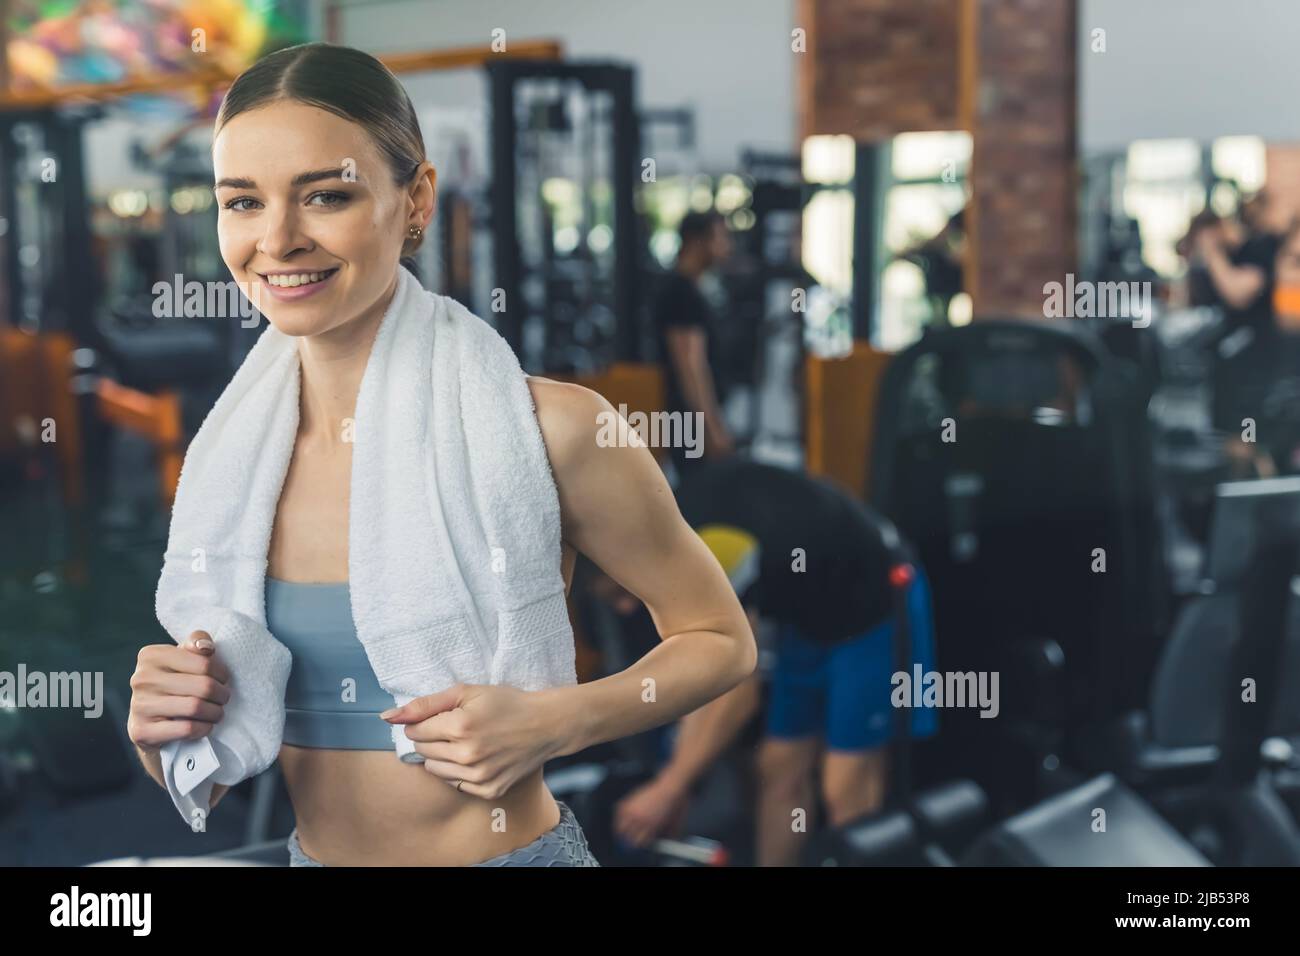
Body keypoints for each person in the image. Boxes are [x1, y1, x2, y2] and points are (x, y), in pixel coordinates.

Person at [125, 42, 756, 867]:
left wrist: (557, 719)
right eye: (242, 202)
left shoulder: (553, 428)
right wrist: (162, 724)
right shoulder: (233, 464)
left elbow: (721, 638)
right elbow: (207, 752)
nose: (277, 239)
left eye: (326, 195)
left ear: (415, 198)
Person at [585, 457, 939, 866]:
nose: (628, 607)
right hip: (805, 620)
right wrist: (677, 775)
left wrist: (670, 787)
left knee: (845, 785)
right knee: (779, 770)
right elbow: (707, 681)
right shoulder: (668, 529)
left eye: (621, 592)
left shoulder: (710, 547)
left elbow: (736, 691)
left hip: (874, 601)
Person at [653, 210, 736, 478]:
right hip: (688, 421)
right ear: (695, 241)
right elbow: (690, 366)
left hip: (688, 420)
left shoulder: (690, 289)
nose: (725, 247)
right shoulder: (682, 293)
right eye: (720, 238)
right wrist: (711, 430)